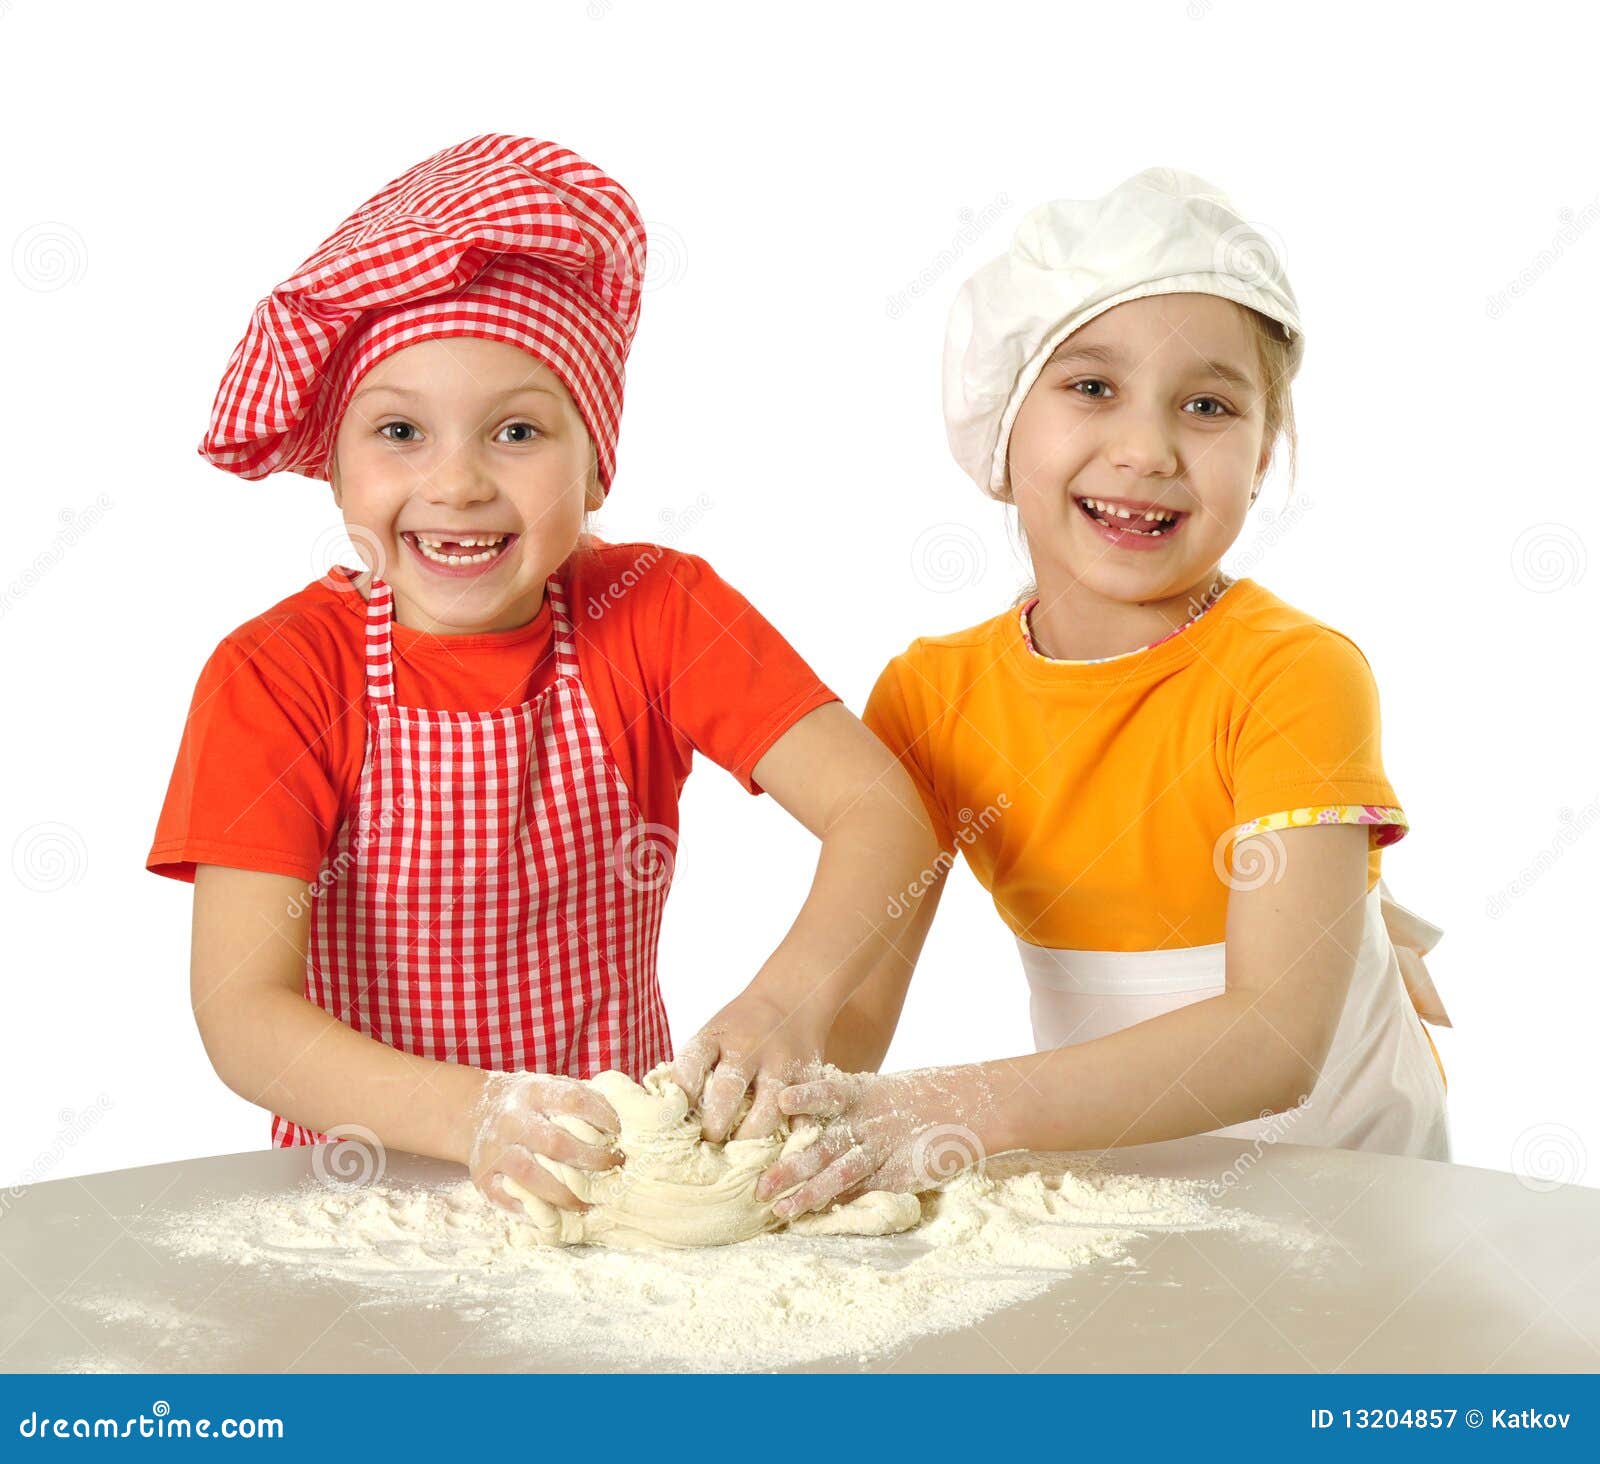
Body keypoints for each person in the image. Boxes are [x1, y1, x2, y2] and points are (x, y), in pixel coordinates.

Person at [146, 134, 936, 1219]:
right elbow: (243, 1017)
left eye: (517, 430)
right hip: (361, 1199)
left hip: (614, 1188)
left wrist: (788, 1005)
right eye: (399, 432)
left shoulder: (658, 611)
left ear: (596, 459)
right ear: (334, 467)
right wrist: (476, 1118)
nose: (457, 481)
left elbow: (880, 809)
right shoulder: (279, 673)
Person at [709, 168, 1454, 1220]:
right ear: (1002, 430)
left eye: (1207, 405)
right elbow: (852, 1024)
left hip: (1352, 1188)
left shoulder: (1294, 672)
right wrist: (756, 1099)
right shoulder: (934, 694)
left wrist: (942, 1111)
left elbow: (1274, 1045)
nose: (1146, 450)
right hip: (1130, 1180)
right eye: (1091, 387)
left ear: (1261, 460)